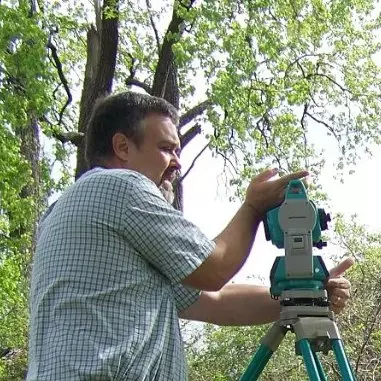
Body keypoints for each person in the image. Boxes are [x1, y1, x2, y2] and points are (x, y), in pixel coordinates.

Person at [27, 91, 353, 380]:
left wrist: (304, 295)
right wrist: (253, 208)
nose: (176, 163)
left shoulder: (72, 211)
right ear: (123, 147)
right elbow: (216, 268)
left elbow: (218, 302)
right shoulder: (119, 187)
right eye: (166, 148)